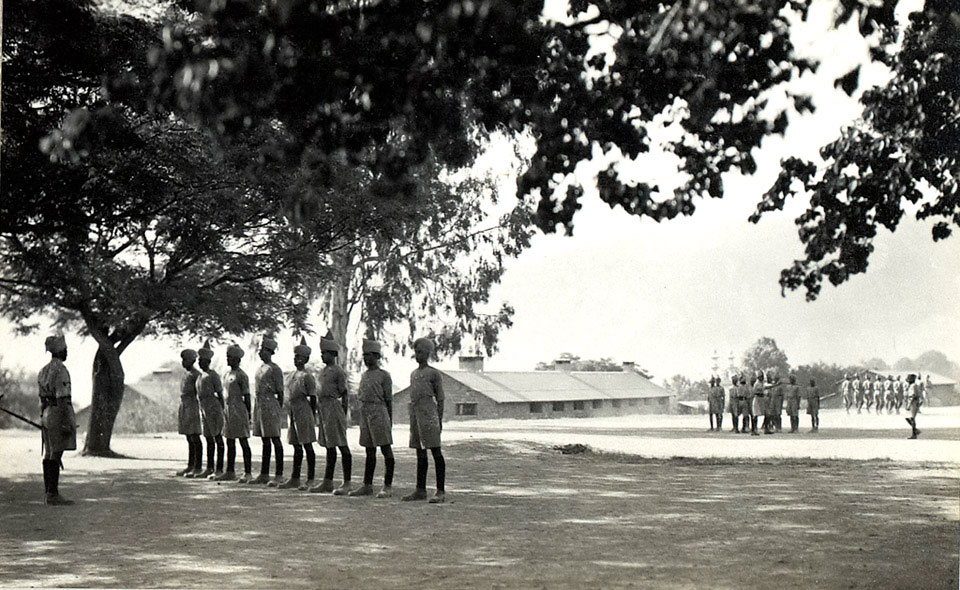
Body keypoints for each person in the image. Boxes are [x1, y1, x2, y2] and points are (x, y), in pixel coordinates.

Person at [349, 338, 396, 498]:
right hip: (366, 412)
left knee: (385, 449)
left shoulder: (384, 375)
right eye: (364, 355)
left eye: (370, 355)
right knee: (369, 450)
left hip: (379, 411)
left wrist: (389, 420)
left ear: (377, 356)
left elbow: (389, 400)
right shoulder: (364, 375)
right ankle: (367, 485)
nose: (366, 359)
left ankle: (387, 486)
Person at [402, 337, 446, 503]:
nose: (417, 355)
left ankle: (440, 491)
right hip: (416, 415)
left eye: (420, 352)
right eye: (416, 352)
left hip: (430, 414)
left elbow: (440, 398)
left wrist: (439, 420)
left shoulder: (434, 374)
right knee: (420, 453)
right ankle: (420, 489)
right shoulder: (414, 374)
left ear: (428, 353)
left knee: (435, 452)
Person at [310, 330, 353, 495]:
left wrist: (342, 412)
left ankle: (347, 482)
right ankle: (327, 482)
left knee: (342, 445)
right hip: (324, 409)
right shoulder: (322, 372)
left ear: (333, 354)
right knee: (329, 446)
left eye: (325, 353)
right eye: (321, 353)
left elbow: (345, 393)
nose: (322, 356)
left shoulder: (338, 371)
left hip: (334, 408)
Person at [38, 334, 77, 505]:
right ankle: (53, 494)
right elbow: (62, 397)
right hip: (57, 412)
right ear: (60, 350)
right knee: (56, 452)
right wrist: (65, 421)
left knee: (49, 452)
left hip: (46, 412)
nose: (67, 351)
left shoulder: (43, 370)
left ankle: (49, 493)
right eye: (65, 349)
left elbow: (41, 396)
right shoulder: (60, 370)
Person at [278, 337, 318, 490]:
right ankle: (295, 477)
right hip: (292, 411)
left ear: (306, 359)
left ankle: (310, 479)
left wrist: (312, 416)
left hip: (304, 410)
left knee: (307, 445)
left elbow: (313, 397)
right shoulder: (290, 376)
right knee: (296, 446)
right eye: (295, 357)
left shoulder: (307, 377)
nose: (297, 360)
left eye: (300, 357)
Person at [250, 334, 284, 485]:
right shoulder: (259, 369)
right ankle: (264, 473)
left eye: (263, 350)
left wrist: (277, 409)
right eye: (259, 350)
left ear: (270, 352)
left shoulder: (275, 369)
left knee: (275, 439)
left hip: (271, 405)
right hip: (260, 405)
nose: (260, 353)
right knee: (265, 440)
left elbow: (281, 393)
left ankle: (279, 474)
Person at [217, 343, 252, 482]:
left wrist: (248, 413)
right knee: (229, 441)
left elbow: (247, 395)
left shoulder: (242, 375)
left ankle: (248, 472)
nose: (228, 360)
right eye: (227, 357)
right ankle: (230, 471)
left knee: (243, 440)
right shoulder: (226, 375)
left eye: (230, 357)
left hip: (239, 410)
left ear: (237, 359)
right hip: (228, 410)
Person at [196, 341, 225, 479]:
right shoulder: (200, 376)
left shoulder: (213, 375)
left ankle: (219, 469)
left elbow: (220, 393)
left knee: (217, 437)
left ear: (208, 361)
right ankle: (209, 467)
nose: (200, 363)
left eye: (203, 360)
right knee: (208, 438)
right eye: (199, 360)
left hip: (213, 407)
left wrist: (222, 409)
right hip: (204, 407)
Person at [176, 349, 203, 478]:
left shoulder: (196, 375)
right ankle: (190, 465)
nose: (183, 362)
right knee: (188, 436)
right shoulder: (186, 374)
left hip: (192, 405)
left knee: (194, 436)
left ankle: (197, 467)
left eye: (185, 359)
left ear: (192, 360)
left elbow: (199, 391)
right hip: (185, 405)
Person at [905, 374, 922, 439]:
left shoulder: (913, 386)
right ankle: (915, 431)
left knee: (911, 418)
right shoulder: (915, 385)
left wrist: (909, 404)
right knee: (911, 418)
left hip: (913, 402)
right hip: (915, 402)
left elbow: (912, 395)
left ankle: (914, 433)